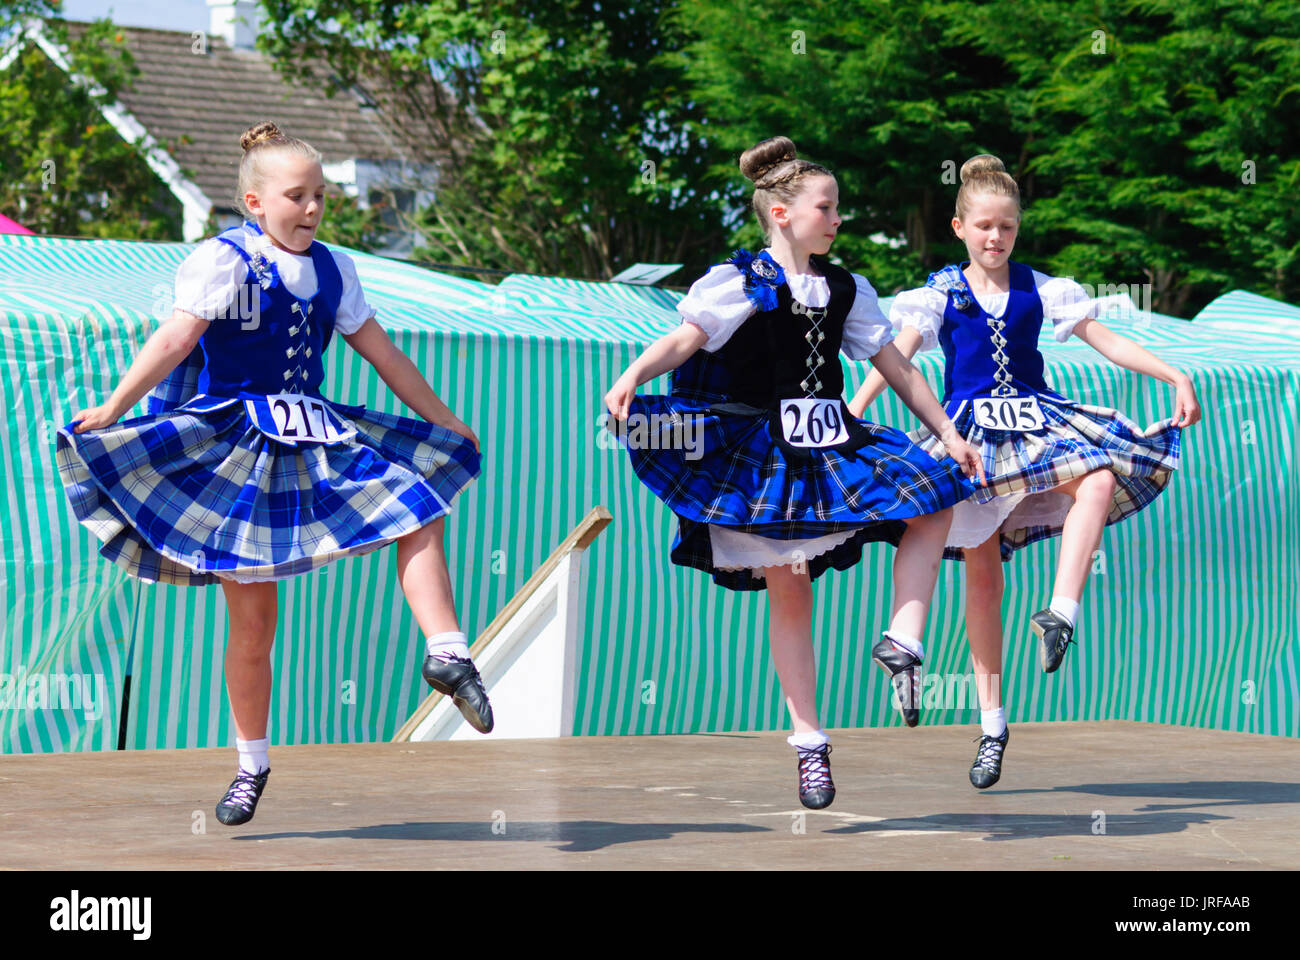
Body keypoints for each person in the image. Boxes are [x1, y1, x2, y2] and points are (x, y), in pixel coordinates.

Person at [56, 121, 493, 825]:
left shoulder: (335, 269)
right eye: (298, 196)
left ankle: (447, 652)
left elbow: (384, 355)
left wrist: (443, 419)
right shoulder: (223, 260)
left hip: (313, 431)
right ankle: (250, 766)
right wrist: (114, 405)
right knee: (254, 627)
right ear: (256, 202)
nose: (314, 209)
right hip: (237, 443)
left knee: (417, 501)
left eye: (321, 195)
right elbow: (175, 339)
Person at [603, 136, 985, 809]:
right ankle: (809, 744)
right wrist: (635, 372)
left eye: (837, 208)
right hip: (761, 446)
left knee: (936, 494)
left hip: (833, 436)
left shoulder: (847, 288)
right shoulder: (738, 281)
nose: (838, 219)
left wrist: (950, 432)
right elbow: (686, 339)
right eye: (827, 207)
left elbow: (896, 368)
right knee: (791, 591)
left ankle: (901, 638)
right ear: (782, 214)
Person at [849, 154, 1199, 788]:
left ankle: (1062, 611)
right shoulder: (938, 293)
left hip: (1035, 428)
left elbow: (1104, 339)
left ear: (1017, 229)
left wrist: (1173, 373)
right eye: (983, 225)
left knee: (1097, 473)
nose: (995, 237)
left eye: (1006, 227)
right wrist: (853, 409)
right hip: (970, 434)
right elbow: (895, 356)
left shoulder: (1043, 288)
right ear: (959, 227)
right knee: (977, 574)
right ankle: (978, 713)